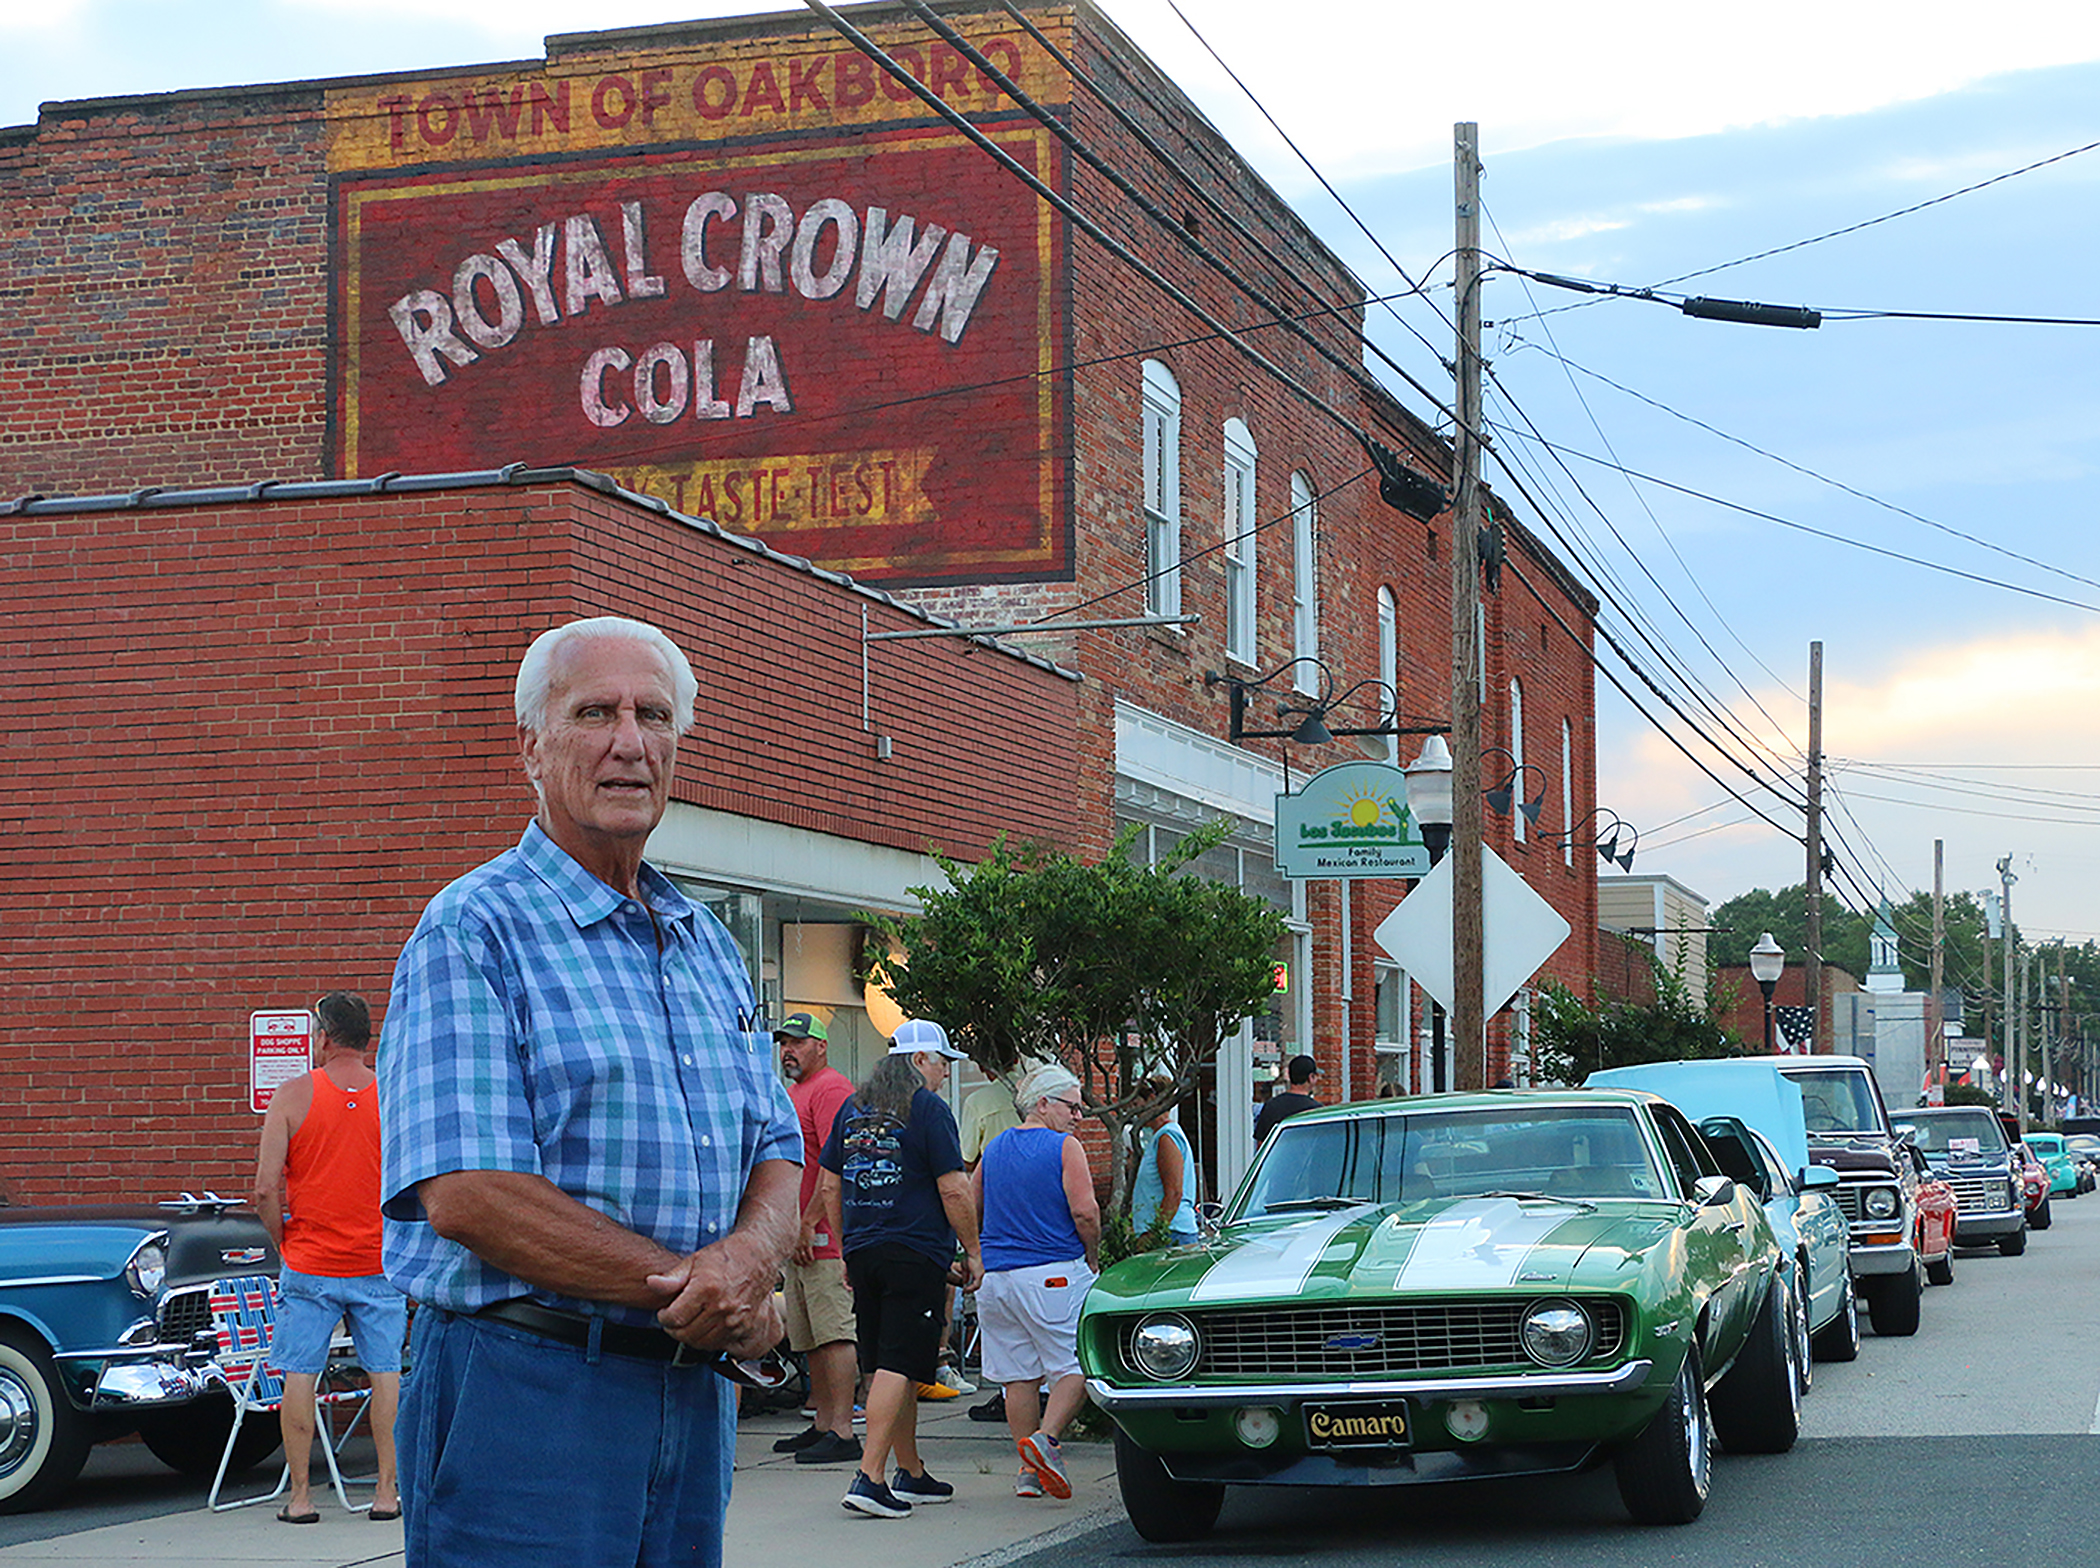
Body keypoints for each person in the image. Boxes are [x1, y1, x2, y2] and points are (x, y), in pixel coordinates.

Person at [378, 615, 802, 1568]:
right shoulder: (473, 928)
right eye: (595, 714)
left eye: (654, 715)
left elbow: (776, 1146)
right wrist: (701, 1287)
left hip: (690, 1394)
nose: (630, 742)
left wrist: (747, 1262)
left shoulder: (704, 942)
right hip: (527, 1388)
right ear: (532, 746)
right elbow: (469, 1192)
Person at [251, 989, 406, 1525]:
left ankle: (300, 1498)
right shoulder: (392, 1096)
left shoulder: (292, 1096)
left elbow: (265, 1190)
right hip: (376, 1260)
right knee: (386, 1372)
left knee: (300, 1372)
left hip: (310, 1261)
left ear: (323, 1037)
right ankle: (386, 1493)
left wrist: (284, 1241)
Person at [817, 1019, 983, 1519]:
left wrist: (846, 1248)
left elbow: (829, 1184)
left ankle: (909, 1471)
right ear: (918, 1060)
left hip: (864, 1250)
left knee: (894, 1362)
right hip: (914, 1251)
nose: (946, 1073)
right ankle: (869, 1477)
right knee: (898, 1363)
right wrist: (972, 1252)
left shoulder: (853, 1108)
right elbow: (954, 1187)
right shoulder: (928, 1108)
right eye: (942, 1062)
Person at [973, 1063, 1099, 1501]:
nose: (1078, 1116)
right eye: (1072, 1107)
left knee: (1017, 1378)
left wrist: (976, 1251)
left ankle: (1029, 1472)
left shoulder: (994, 1148)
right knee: (1079, 1364)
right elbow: (1085, 1212)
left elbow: (971, 1201)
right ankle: (1046, 1439)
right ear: (1042, 1103)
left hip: (996, 1279)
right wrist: (1092, 1255)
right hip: (1053, 1272)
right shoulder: (1065, 1147)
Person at [771, 1012, 863, 1465]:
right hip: (798, 1238)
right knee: (807, 1336)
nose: (788, 1050)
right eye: (784, 1043)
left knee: (834, 1333)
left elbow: (838, 1163)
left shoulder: (831, 1089)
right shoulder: (793, 1093)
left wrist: (810, 1222)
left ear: (821, 1046)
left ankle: (844, 1429)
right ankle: (823, 1422)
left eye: (798, 1042)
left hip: (825, 1237)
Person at [1131, 1078, 1199, 1246]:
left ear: (1152, 1099)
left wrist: (1154, 1236)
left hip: (1173, 1234)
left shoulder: (1167, 1138)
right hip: (1170, 1232)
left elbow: (1174, 1193)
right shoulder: (1159, 1137)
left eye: (1137, 1104)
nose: (1135, 1111)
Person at [1253, 1054, 1321, 1141]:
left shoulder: (1272, 1105)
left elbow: (1262, 1143)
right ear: (1311, 1077)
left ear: (1289, 1075)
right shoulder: (1315, 1111)